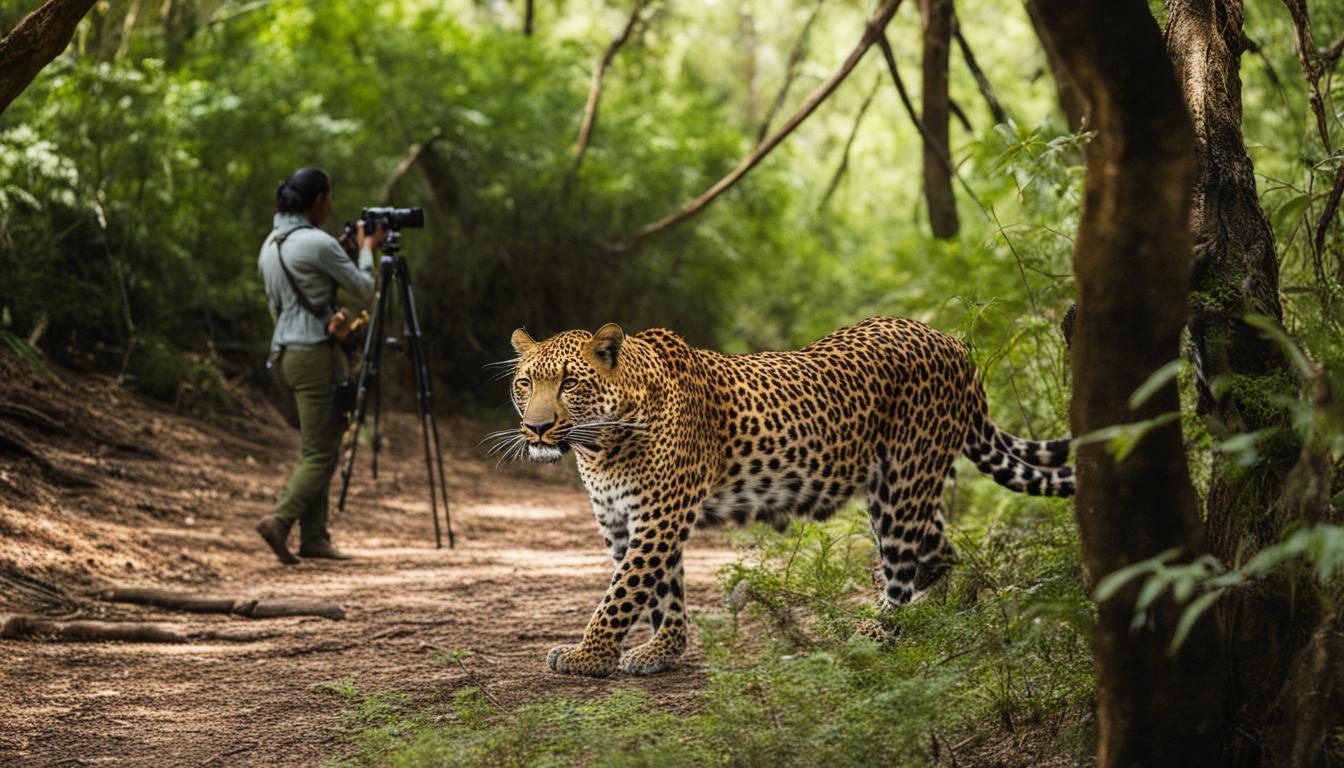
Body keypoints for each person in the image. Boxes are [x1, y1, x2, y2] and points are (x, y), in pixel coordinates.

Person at [255, 167, 384, 564]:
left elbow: (287, 306)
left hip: (288, 354)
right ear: (317, 201)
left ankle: (315, 537)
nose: (330, 206)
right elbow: (365, 290)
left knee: (321, 444)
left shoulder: (271, 244)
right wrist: (366, 248)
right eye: (328, 198)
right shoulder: (315, 242)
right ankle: (279, 521)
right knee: (321, 452)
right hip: (315, 355)